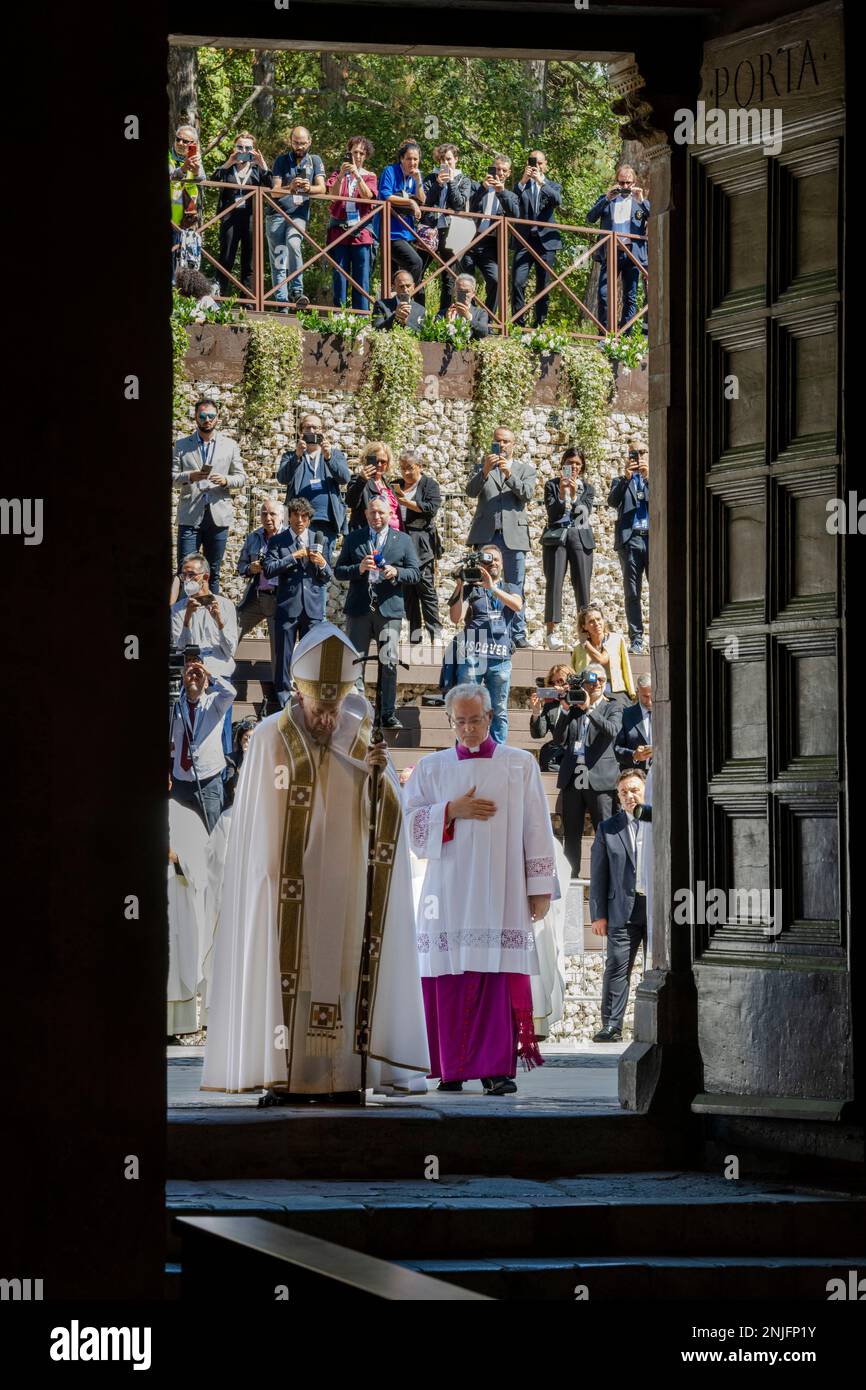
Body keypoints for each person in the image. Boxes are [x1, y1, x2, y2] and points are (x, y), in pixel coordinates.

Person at [201, 624, 430, 1100]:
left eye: (333, 708)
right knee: (288, 976)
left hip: (346, 888)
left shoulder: (360, 739)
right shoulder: (270, 739)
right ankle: (284, 1077)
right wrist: (269, 876)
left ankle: (345, 1078)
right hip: (286, 886)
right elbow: (256, 823)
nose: (327, 719)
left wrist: (379, 779)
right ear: (300, 694)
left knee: (345, 975)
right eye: (319, 709)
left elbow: (388, 812)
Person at [403, 683, 558, 1095]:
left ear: (490, 718)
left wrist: (539, 886)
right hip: (447, 892)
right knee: (447, 974)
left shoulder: (518, 764)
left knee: (494, 973)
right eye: (461, 721)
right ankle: (450, 1067)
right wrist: (451, 811)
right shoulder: (432, 768)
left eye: (476, 720)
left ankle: (495, 1069)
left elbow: (536, 826)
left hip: (500, 890)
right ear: (450, 721)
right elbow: (408, 825)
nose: (468, 729)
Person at [335, 496, 420, 730]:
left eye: (381, 513)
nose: (376, 517)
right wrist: (359, 568)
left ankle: (387, 713)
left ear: (390, 513)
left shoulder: (402, 540)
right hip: (359, 609)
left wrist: (396, 572)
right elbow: (339, 571)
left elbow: (415, 574)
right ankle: (357, 710)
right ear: (365, 513)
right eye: (372, 512)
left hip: (389, 609)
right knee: (355, 663)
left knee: (389, 661)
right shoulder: (354, 538)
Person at [590, 767, 650, 1042]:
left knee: (657, 969)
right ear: (617, 796)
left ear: (645, 790)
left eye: (634, 790)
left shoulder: (657, 821)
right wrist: (598, 914)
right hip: (620, 911)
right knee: (616, 966)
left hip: (655, 908)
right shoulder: (608, 828)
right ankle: (612, 1025)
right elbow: (599, 873)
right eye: (624, 792)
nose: (629, 796)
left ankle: (655, 1024)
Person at [465, 425, 535, 648]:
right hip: (486, 536)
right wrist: (485, 471)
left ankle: (517, 632)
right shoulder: (482, 467)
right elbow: (470, 491)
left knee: (516, 584)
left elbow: (527, 494)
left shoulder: (525, 470)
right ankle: (480, 625)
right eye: (498, 441)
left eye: (506, 441)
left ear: (513, 445)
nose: (502, 445)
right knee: (481, 582)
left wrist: (509, 474)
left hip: (513, 537)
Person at [262, 497, 333, 707]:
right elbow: (269, 569)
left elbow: (328, 576)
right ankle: (284, 700)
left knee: (313, 655)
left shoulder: (320, 539)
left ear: (309, 520)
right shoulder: (278, 540)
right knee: (283, 656)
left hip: (313, 608)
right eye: (295, 516)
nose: (299, 520)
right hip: (287, 606)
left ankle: (311, 698)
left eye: (304, 516)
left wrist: (321, 564)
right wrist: (294, 556)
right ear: (289, 517)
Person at [447, 545, 521, 744]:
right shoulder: (472, 588)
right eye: (488, 560)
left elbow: (517, 605)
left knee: (499, 709)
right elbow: (456, 618)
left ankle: (497, 753)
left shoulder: (510, 587)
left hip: (501, 658)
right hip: (473, 656)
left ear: (502, 563)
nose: (493, 563)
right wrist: (461, 585)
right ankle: (465, 748)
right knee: (465, 705)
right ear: (481, 564)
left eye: (496, 559)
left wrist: (492, 588)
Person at [554, 664, 623, 877]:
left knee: (604, 832)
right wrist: (565, 709)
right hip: (574, 776)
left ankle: (606, 878)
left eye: (601, 680)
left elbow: (612, 730)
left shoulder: (614, 706)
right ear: (583, 684)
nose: (596, 685)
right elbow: (559, 739)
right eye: (592, 681)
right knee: (571, 835)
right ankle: (571, 880)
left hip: (600, 778)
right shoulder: (574, 706)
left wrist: (590, 709)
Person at [172, 398, 247, 595]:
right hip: (190, 516)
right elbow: (171, 477)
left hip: (218, 515)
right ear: (196, 417)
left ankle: (211, 619)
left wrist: (225, 480)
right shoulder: (182, 445)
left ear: (217, 418)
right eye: (203, 416)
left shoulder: (230, 445)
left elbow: (241, 478)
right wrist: (189, 476)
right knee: (185, 570)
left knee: (213, 572)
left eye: (211, 416)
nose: (207, 420)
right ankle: (184, 619)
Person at [170, 656, 237, 832]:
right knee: (179, 834)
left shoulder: (215, 702)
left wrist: (209, 672)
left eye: (198, 674)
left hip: (208, 782)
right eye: (190, 673)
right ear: (183, 680)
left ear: (207, 683)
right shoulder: (176, 705)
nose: (194, 676)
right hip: (181, 781)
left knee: (211, 834)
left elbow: (231, 692)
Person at [275, 411, 350, 564]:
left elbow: (344, 478)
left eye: (315, 427)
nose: (311, 431)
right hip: (298, 520)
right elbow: (282, 478)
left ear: (322, 430)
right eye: (307, 427)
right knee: (298, 563)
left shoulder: (334, 454)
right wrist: (297, 455)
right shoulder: (290, 456)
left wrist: (329, 457)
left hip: (325, 521)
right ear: (300, 431)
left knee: (321, 565)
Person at [266, 126, 326, 312]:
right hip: (276, 213)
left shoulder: (314, 160)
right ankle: (281, 302)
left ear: (309, 142)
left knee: (293, 243)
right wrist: (289, 187)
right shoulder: (281, 160)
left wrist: (308, 188)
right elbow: (274, 192)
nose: (299, 146)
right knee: (279, 258)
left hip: (298, 214)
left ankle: (297, 291)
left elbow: (322, 189)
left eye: (302, 143)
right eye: (295, 143)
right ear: (291, 142)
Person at [585, 164, 650, 335]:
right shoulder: (607, 199)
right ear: (616, 183)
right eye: (621, 183)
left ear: (634, 183)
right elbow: (590, 218)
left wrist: (641, 199)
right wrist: (606, 198)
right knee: (604, 293)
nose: (625, 187)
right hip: (611, 253)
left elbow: (654, 217)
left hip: (633, 254)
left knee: (630, 296)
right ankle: (604, 334)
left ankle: (625, 336)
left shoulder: (640, 202)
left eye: (628, 183)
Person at [541, 447, 595, 650]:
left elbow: (584, 514)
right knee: (554, 582)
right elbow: (552, 513)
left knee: (582, 586)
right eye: (569, 463)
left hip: (580, 536)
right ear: (562, 464)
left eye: (577, 464)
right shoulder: (551, 485)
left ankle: (585, 633)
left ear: (582, 468)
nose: (573, 467)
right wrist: (564, 495)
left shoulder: (588, 488)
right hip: (557, 537)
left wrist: (574, 496)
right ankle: (551, 632)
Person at [167, 786, 210, 1038]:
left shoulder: (185, 818)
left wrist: (176, 857)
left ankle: (176, 1027)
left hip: (177, 901)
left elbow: (203, 867)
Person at [236, 498, 284, 708]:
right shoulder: (254, 537)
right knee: (232, 628)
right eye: (264, 513)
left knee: (278, 650)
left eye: (272, 514)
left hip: (279, 598)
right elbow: (240, 567)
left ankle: (279, 697)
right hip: (256, 596)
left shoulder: (289, 538)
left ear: (281, 516)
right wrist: (250, 568)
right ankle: (217, 674)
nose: (268, 518)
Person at [210, 132, 270, 298]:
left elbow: (271, 185)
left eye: (248, 148)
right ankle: (219, 298)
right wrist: (230, 161)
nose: (244, 150)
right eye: (240, 147)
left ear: (254, 150)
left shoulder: (257, 169)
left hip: (251, 219)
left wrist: (262, 163)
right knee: (226, 257)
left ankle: (248, 301)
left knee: (249, 261)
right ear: (234, 148)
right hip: (230, 217)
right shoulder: (228, 169)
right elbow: (213, 179)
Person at [391, 451, 441, 644]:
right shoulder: (396, 484)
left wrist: (406, 502)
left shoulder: (430, 485)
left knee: (425, 588)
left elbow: (431, 508)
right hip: (400, 542)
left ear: (420, 466)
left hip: (421, 544)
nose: (406, 472)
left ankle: (435, 633)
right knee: (408, 592)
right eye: (403, 468)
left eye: (410, 468)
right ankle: (414, 635)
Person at [325, 136, 378, 312]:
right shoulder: (338, 174)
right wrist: (342, 175)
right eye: (354, 152)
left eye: (361, 153)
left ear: (366, 156)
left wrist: (356, 174)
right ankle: (340, 315)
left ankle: (361, 316)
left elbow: (367, 196)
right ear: (349, 153)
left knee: (361, 278)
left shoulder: (370, 176)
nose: (357, 156)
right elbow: (333, 196)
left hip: (361, 233)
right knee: (339, 276)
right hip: (339, 231)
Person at [462, 155, 519, 316]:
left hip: (492, 245)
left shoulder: (511, 195)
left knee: (495, 279)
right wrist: (483, 188)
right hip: (470, 239)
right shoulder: (477, 187)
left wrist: (501, 193)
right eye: (497, 169)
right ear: (492, 168)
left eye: (504, 170)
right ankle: (467, 314)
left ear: (508, 174)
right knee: (464, 279)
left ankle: (486, 318)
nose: (500, 173)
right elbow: (468, 208)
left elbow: (515, 216)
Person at [511, 150, 562, 328]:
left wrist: (541, 183)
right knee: (518, 282)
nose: (537, 167)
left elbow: (557, 201)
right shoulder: (522, 185)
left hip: (546, 243)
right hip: (524, 241)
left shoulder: (553, 186)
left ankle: (539, 325)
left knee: (543, 285)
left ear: (545, 164)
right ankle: (518, 324)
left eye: (540, 163)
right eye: (534, 163)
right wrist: (524, 180)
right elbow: (512, 200)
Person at [420, 143, 471, 315]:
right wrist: (438, 184)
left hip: (453, 230)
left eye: (449, 159)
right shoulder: (431, 178)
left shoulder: (464, 180)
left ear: (456, 159)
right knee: (419, 268)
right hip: (430, 230)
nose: (446, 163)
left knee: (449, 276)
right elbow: (426, 202)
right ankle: (419, 312)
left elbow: (459, 204)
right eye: (442, 160)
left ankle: (444, 314)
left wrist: (450, 183)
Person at [608, 442, 650, 653]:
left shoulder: (656, 479)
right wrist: (627, 479)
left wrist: (648, 478)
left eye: (642, 452)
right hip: (631, 540)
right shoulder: (620, 481)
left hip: (653, 539)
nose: (638, 456)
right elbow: (613, 501)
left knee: (660, 590)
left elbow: (662, 500)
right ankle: (636, 639)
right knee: (632, 591)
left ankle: (664, 633)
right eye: (634, 453)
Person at [170, 556, 238, 684]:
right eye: (183, 575)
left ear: (205, 577)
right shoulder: (178, 609)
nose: (187, 580)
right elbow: (181, 647)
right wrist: (187, 619)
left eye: (191, 574)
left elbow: (229, 651)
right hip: (192, 676)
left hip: (219, 673)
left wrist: (220, 624)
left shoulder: (226, 605)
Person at [376, 139, 427, 294]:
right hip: (389, 232)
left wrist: (418, 181)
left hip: (406, 232)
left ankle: (394, 306)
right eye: (409, 158)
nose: (412, 162)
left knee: (393, 277)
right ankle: (407, 298)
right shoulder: (390, 171)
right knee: (416, 263)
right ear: (401, 159)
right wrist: (410, 203)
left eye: (415, 159)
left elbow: (423, 200)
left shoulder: (416, 177)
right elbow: (385, 195)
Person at [571, 604, 635, 706]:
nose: (596, 623)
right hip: (590, 692)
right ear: (584, 626)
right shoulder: (578, 649)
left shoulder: (615, 639)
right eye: (591, 621)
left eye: (598, 619)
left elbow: (602, 660)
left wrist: (586, 644)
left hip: (616, 692)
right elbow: (576, 673)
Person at [169, 125, 205, 276]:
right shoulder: (168, 157)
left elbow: (202, 178)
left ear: (193, 144)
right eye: (179, 139)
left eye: (186, 141)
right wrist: (183, 169)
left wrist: (195, 171)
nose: (181, 143)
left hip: (183, 221)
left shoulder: (195, 158)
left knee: (180, 262)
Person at [529, 663, 576, 772]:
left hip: (577, 748)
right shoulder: (550, 705)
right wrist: (536, 712)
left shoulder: (579, 699)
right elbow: (538, 734)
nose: (555, 686)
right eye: (552, 682)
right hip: (558, 752)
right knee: (546, 752)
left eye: (560, 681)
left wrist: (566, 698)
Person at [345, 441, 402, 530]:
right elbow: (351, 502)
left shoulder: (387, 485)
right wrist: (362, 480)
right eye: (376, 461)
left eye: (383, 462)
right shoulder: (359, 479)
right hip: (369, 535)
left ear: (387, 463)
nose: (379, 465)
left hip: (392, 536)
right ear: (367, 460)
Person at [615, 674, 653, 797]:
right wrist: (634, 755)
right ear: (637, 692)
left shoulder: (668, 712)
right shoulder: (626, 715)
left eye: (652, 695)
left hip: (664, 775)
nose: (650, 701)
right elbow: (616, 749)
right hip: (635, 778)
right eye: (645, 696)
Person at [371, 268, 426, 333]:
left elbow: (423, 335)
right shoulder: (381, 305)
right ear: (394, 287)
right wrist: (395, 317)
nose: (405, 290)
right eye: (401, 286)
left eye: (408, 286)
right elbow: (376, 330)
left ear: (413, 286)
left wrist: (405, 323)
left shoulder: (421, 310)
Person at [444, 273, 490, 339]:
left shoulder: (480, 313)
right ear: (454, 292)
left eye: (467, 291)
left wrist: (469, 318)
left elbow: (484, 332)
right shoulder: (444, 313)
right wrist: (448, 323)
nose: (464, 295)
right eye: (460, 291)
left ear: (473, 293)